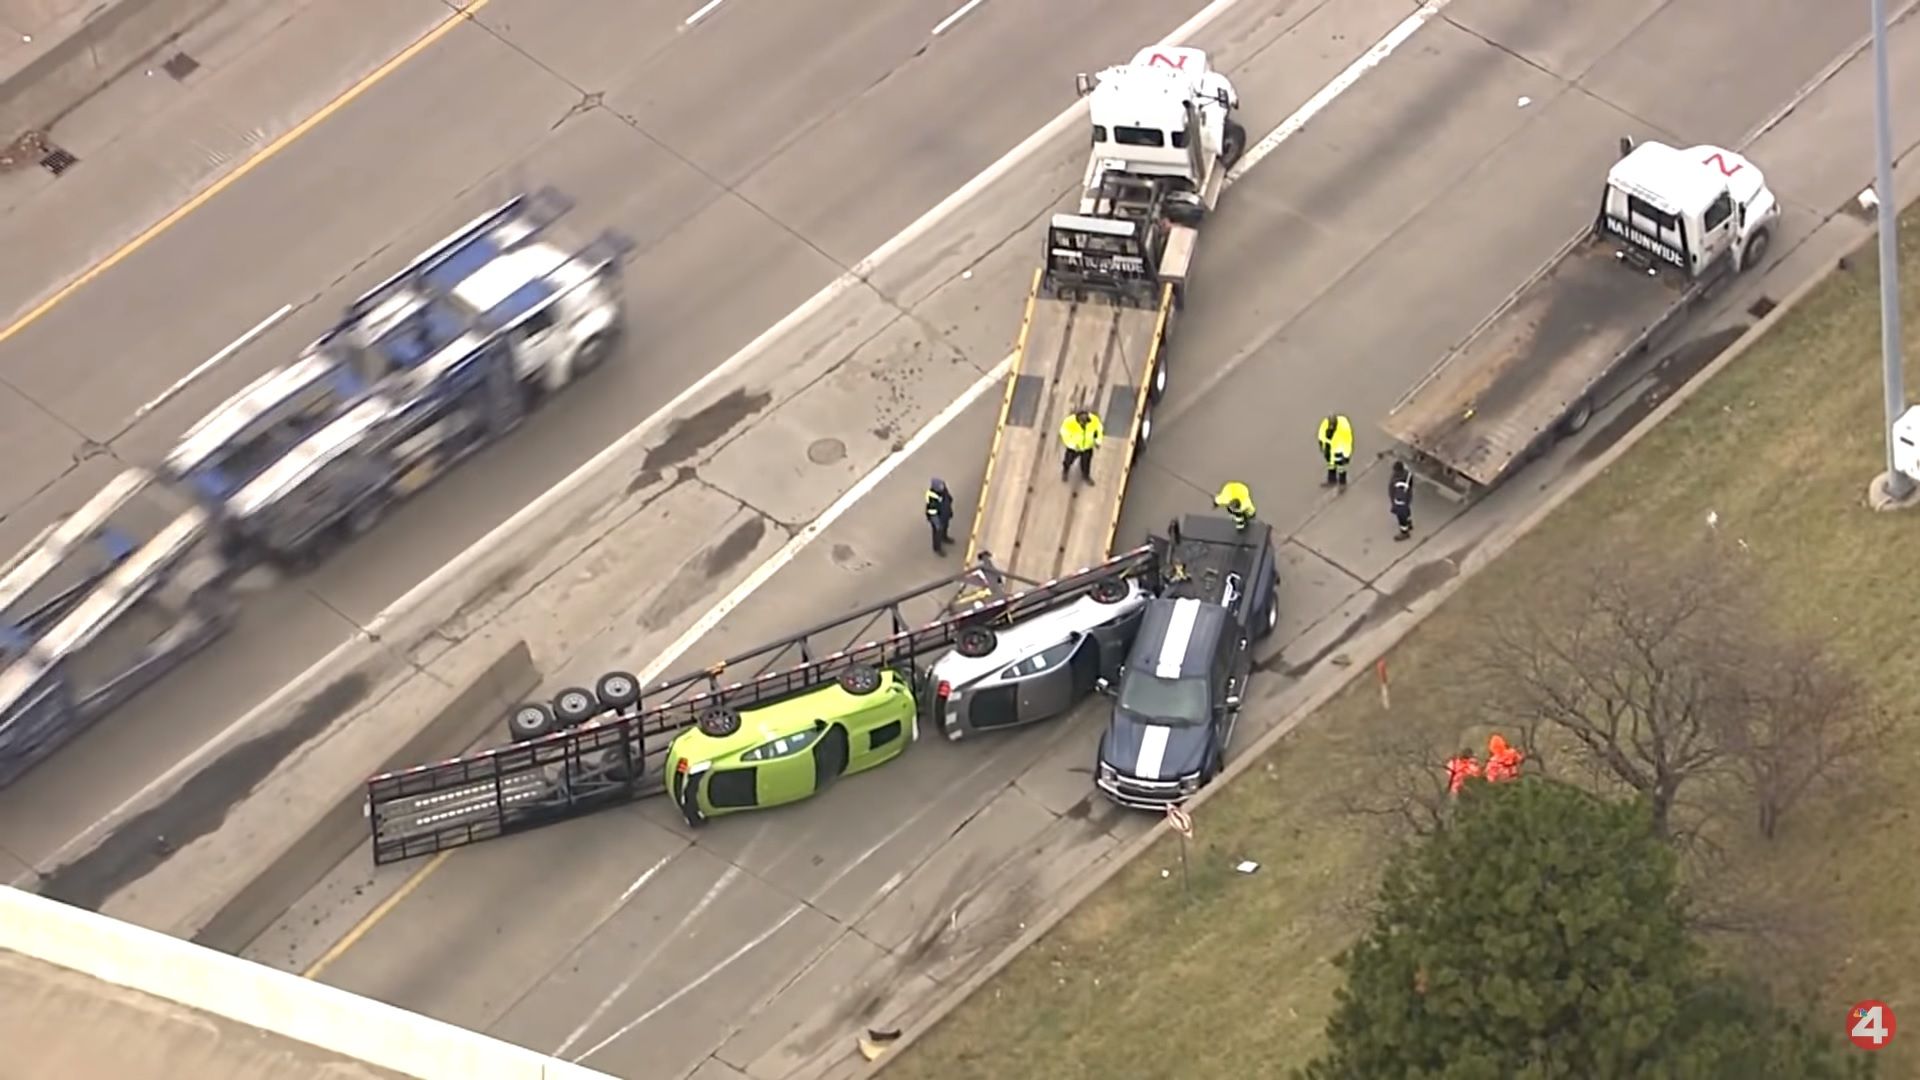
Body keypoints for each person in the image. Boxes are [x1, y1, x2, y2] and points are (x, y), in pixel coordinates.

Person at [1060, 409, 1103, 484]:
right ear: (1078, 418)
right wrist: (1072, 445)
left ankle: (1085, 476)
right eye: (1082, 421)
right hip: (1074, 448)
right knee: (1068, 461)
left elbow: (1099, 429)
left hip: (1087, 447)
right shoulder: (1069, 422)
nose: (1084, 423)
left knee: (1086, 463)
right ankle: (1065, 471)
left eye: (1085, 421)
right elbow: (1064, 433)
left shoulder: (1094, 420)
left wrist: (1097, 441)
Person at [1317, 414, 1354, 488]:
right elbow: (1321, 435)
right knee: (1331, 464)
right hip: (1330, 447)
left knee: (1341, 465)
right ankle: (1332, 480)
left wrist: (1346, 455)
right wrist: (1322, 446)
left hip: (1340, 447)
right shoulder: (1325, 424)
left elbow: (1348, 442)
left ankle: (1342, 482)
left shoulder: (1343, 428)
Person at [925, 478, 955, 556]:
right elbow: (932, 512)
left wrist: (949, 512)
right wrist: (936, 523)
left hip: (944, 514)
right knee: (937, 532)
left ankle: (944, 537)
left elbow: (948, 498)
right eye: (940, 487)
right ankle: (937, 548)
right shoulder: (932, 497)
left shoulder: (943, 490)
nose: (942, 488)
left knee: (945, 526)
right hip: (937, 517)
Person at [1389, 460, 1414, 541]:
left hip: (1400, 502)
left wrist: (1395, 505)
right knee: (1407, 510)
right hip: (1407, 497)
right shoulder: (1408, 474)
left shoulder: (1396, 481)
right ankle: (1409, 523)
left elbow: (1398, 495)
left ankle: (1404, 532)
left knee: (1401, 517)